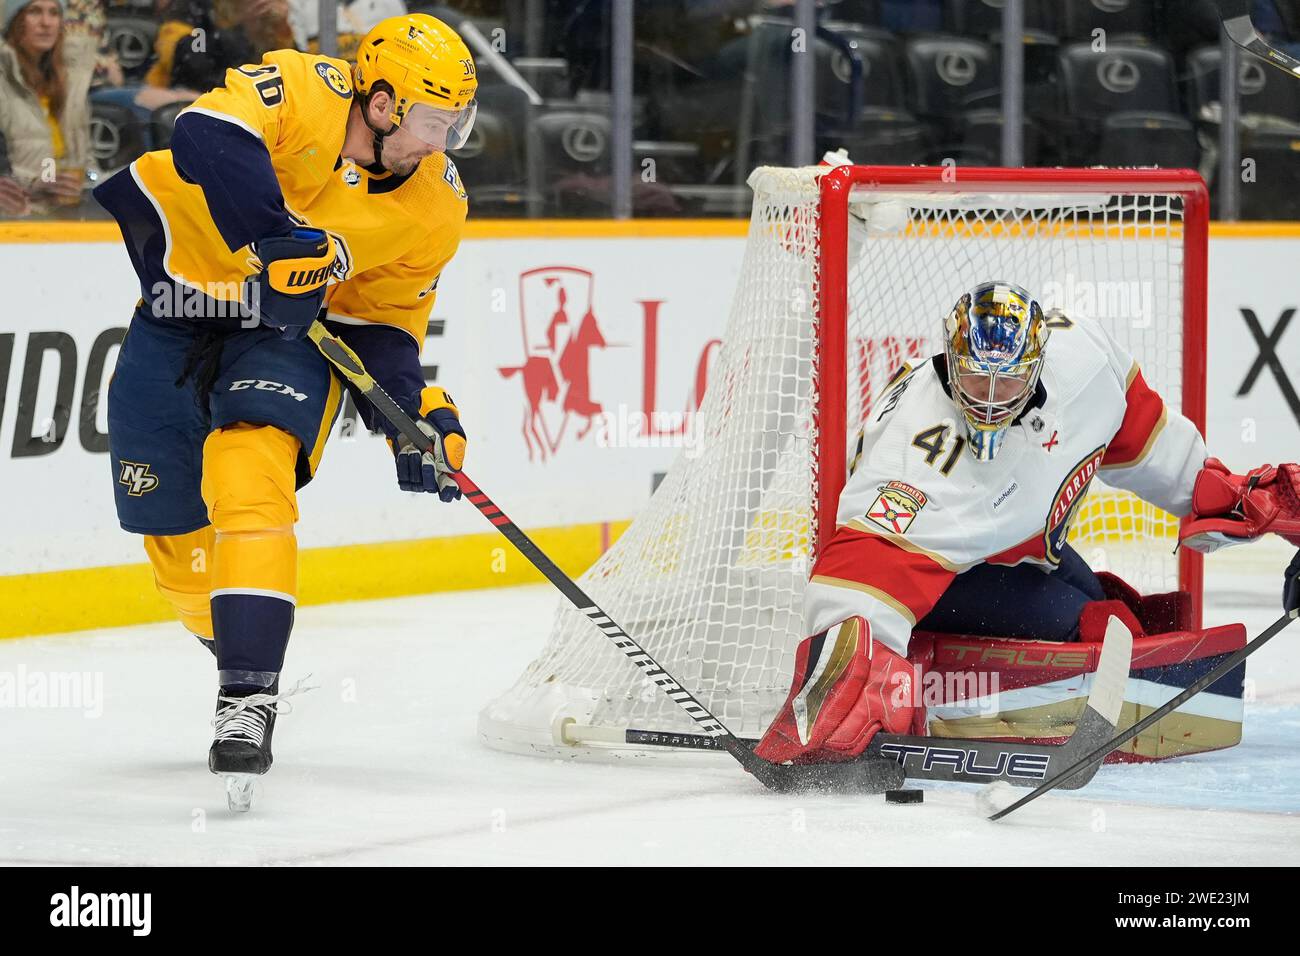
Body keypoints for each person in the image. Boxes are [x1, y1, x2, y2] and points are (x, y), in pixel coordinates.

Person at [92, 12, 478, 806]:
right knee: (174, 544)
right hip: (179, 308)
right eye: (434, 121)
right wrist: (275, 239)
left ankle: (247, 698)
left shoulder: (435, 203)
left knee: (249, 465)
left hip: (288, 339)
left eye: (454, 125)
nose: (442, 142)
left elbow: (382, 325)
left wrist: (415, 412)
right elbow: (202, 133)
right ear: (380, 102)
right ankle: (234, 638)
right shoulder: (301, 86)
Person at [755, 279, 1300, 765]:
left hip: (1028, 549)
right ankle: (950, 684)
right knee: (1090, 621)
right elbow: (857, 572)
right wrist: (846, 676)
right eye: (974, 379)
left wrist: (1227, 497)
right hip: (944, 574)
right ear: (951, 358)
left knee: (1111, 606)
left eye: (1007, 383)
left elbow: (1145, 436)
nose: (989, 401)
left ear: (1038, 365)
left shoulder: (1084, 359)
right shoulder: (917, 461)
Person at [0, 0, 96, 213]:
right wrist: (32, 184)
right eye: (34, 12)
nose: (46, 23)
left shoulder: (71, 82)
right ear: (15, 20)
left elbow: (87, 159)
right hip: (18, 217)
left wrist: (93, 182)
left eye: (54, 13)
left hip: (72, 214)